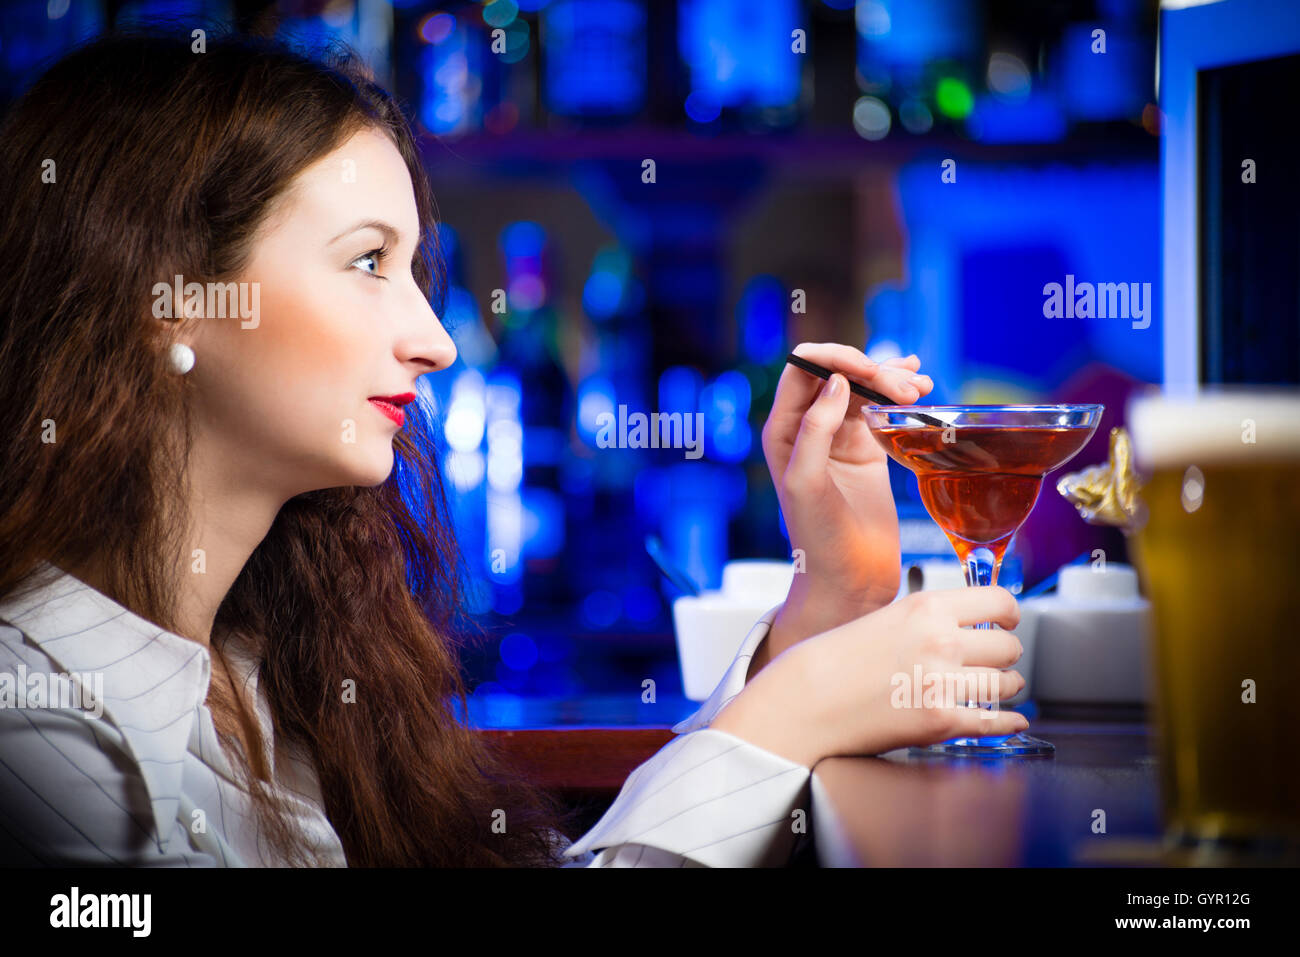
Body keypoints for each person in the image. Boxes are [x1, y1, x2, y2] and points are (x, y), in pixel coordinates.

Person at [0, 28, 1028, 868]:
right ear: (174, 299)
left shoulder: (276, 675)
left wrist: (830, 596)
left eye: (416, 272)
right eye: (367, 263)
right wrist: (787, 716)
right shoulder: (34, 730)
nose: (436, 340)